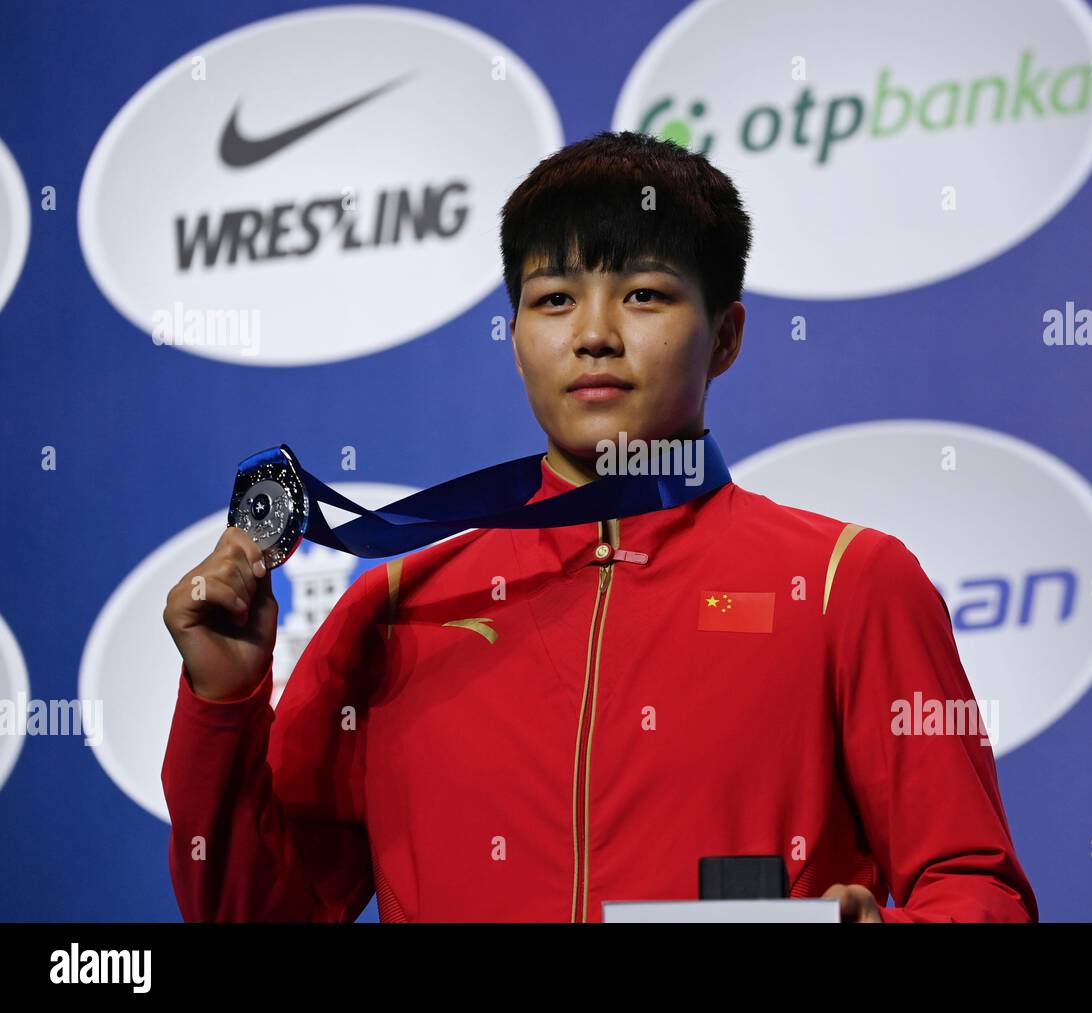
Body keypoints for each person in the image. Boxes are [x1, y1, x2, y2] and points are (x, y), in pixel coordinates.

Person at [161, 130, 1037, 923]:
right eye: (553, 299)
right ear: (514, 337)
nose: (593, 334)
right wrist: (224, 704)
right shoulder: (392, 610)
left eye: (645, 294)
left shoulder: (851, 582)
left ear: (725, 336)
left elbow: (977, 889)